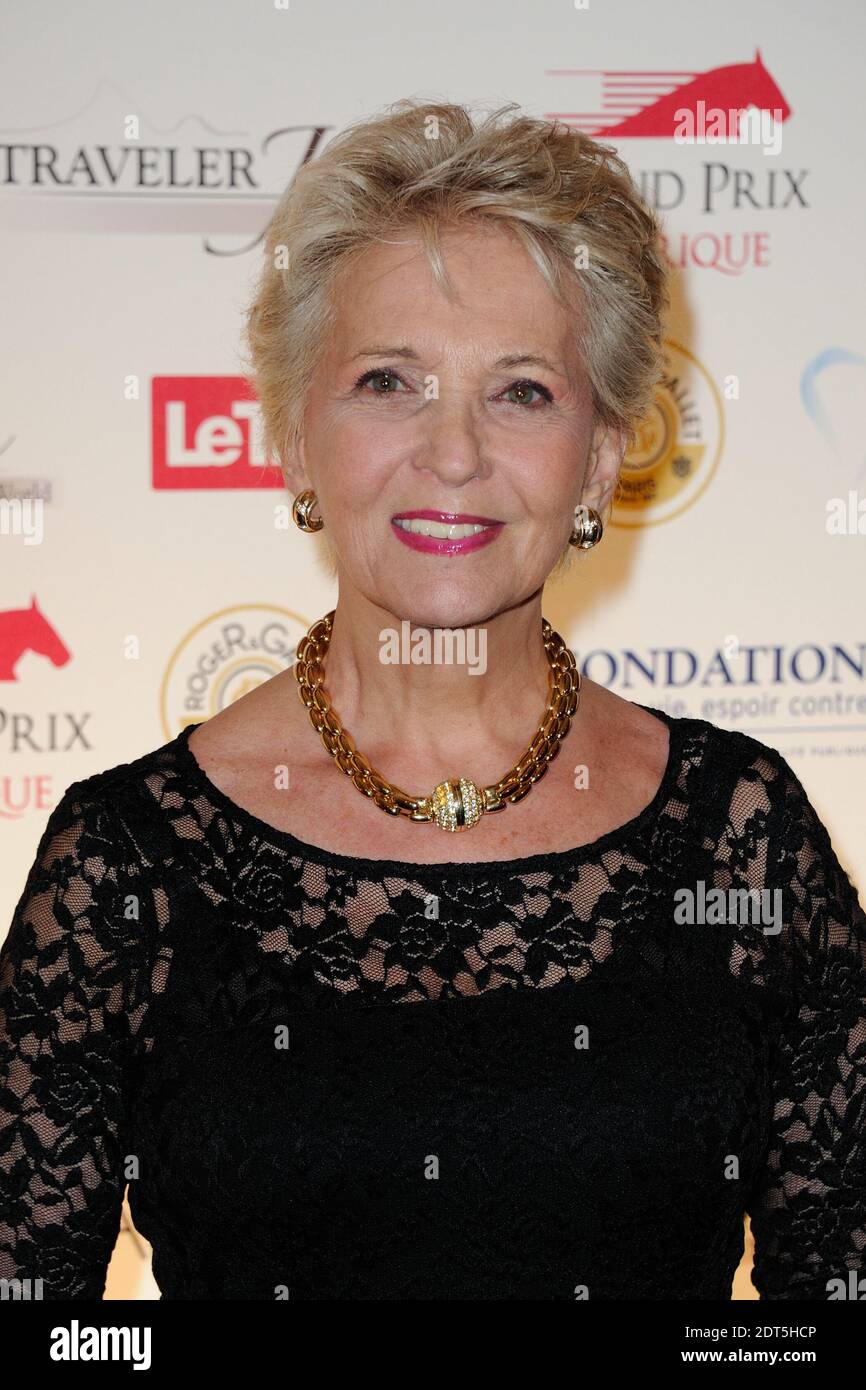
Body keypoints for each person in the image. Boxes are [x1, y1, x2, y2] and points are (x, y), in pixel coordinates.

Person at [1, 98, 864, 1301]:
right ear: (297, 439)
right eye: (387, 380)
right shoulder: (125, 862)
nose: (451, 453)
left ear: (602, 457)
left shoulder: (743, 831)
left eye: (520, 392)